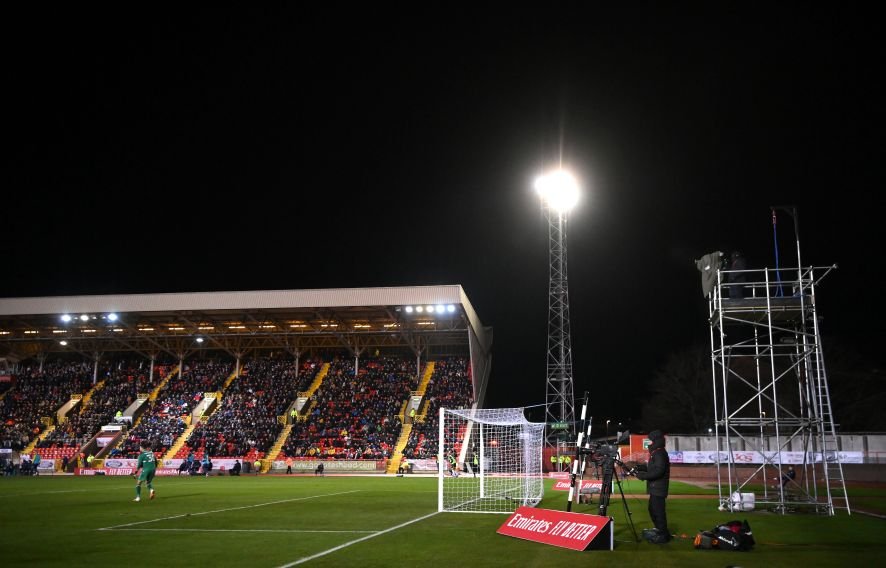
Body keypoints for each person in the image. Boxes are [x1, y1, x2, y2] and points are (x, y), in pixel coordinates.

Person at [633, 430, 671, 543]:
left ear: (656, 440)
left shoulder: (659, 453)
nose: (649, 443)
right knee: (652, 509)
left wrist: (643, 476)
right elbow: (653, 468)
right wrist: (640, 468)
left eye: (651, 440)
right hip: (655, 487)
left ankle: (663, 534)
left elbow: (659, 471)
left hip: (658, 488)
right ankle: (659, 529)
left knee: (658, 511)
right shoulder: (656, 452)